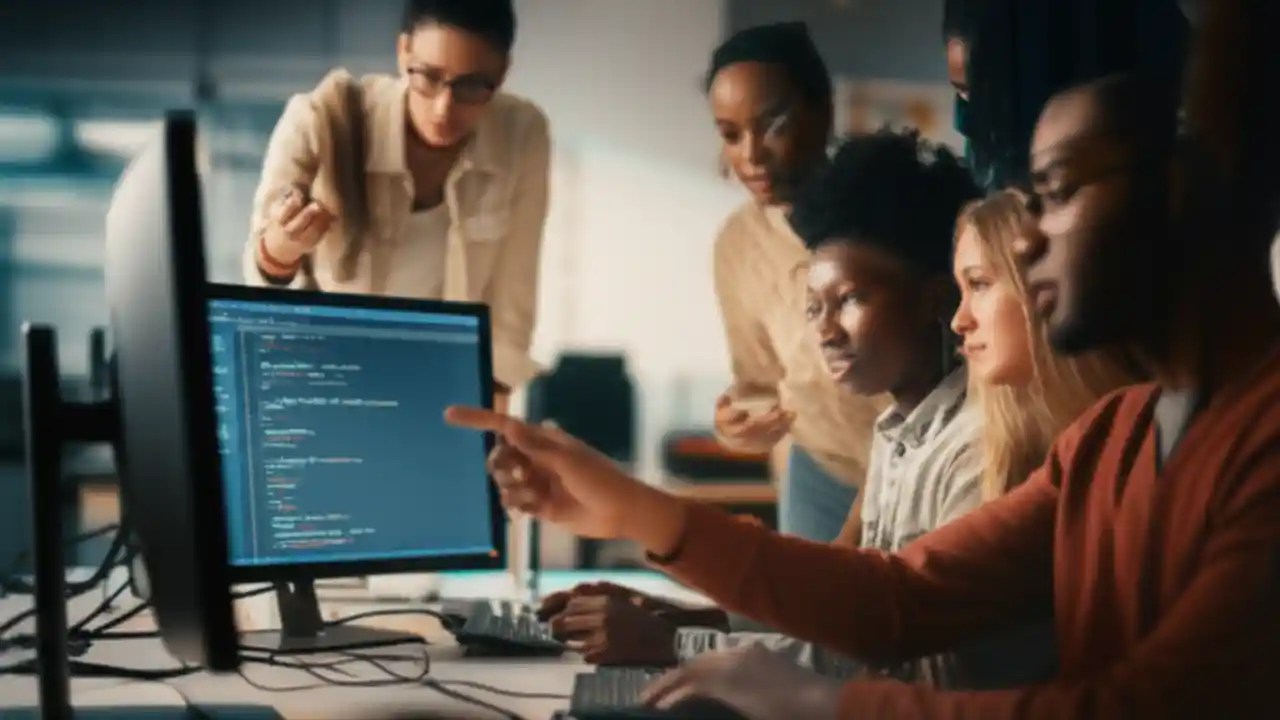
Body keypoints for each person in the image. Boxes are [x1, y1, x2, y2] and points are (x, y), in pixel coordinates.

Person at [445, 70, 1280, 718]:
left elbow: (1150, 711)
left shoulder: (1261, 438)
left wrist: (816, 703)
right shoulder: (1109, 438)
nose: (1031, 238)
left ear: (1181, 192)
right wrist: (636, 512)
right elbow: (898, 598)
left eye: (1056, 192)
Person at [243, 0, 549, 408]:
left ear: (502, 72)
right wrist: (284, 244)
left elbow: (514, 297)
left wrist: (489, 427)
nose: (444, 108)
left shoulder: (521, 134)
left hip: (441, 387)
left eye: (472, 86)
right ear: (403, 51)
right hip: (328, 380)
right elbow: (257, 276)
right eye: (429, 77)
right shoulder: (323, 118)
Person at [698, 22, 885, 545]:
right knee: (806, 624)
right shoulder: (737, 244)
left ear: (822, 111)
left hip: (922, 464)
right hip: (820, 470)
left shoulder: (886, 214)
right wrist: (737, 429)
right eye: (731, 134)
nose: (752, 155)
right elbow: (759, 385)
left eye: (773, 124)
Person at [950, 189, 1144, 500]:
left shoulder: (1140, 444)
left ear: (1042, 288)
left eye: (979, 284)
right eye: (962, 290)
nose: (959, 321)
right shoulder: (1007, 454)